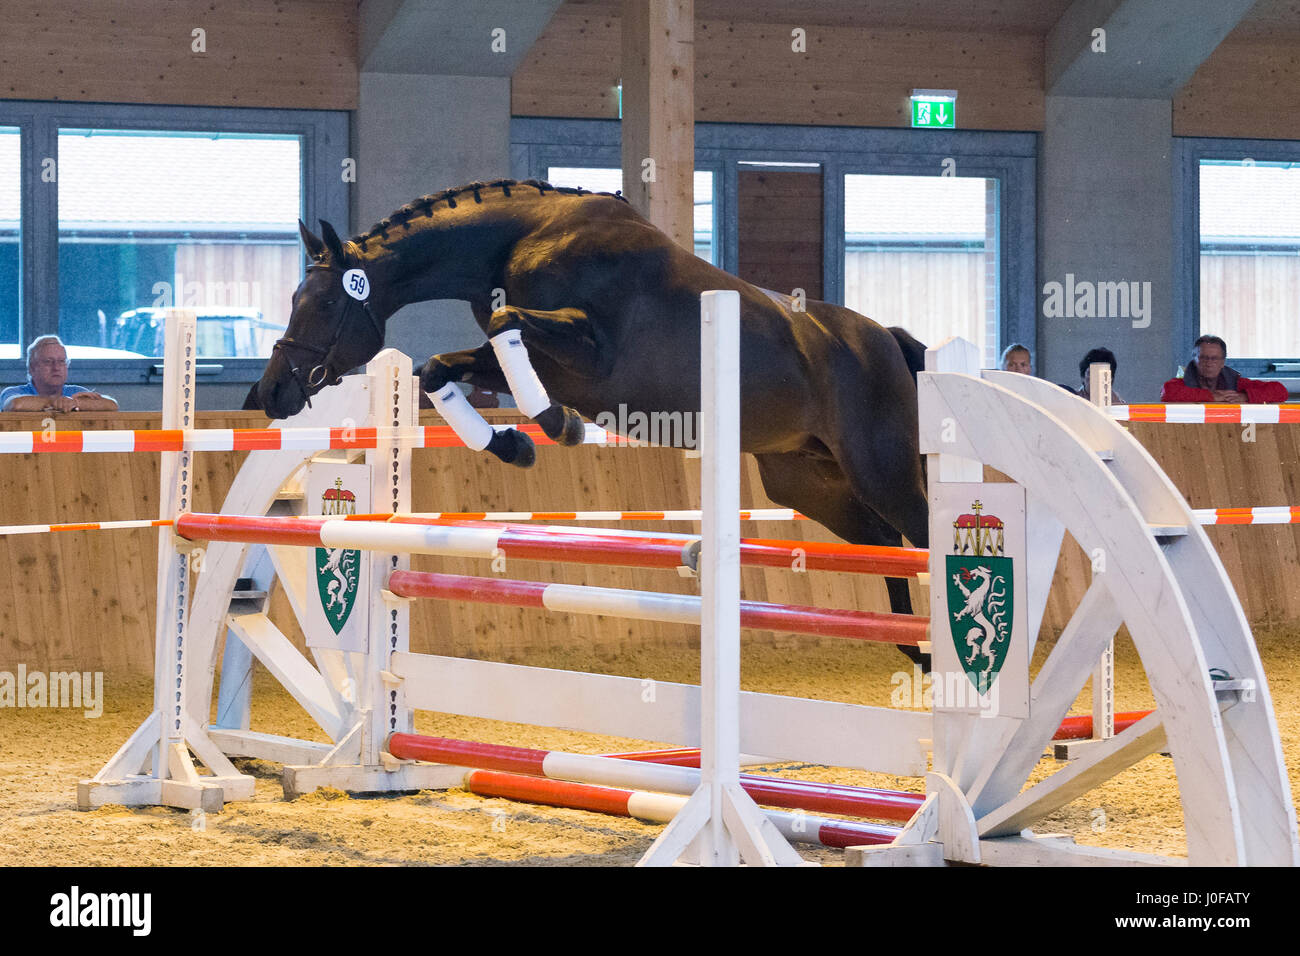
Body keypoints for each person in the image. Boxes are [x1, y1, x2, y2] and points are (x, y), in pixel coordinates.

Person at [1, 335, 119, 412]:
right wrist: (57, 402)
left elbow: (112, 405)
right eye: (48, 362)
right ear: (32, 368)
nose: (56, 367)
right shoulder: (15, 392)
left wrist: (75, 402)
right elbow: (16, 405)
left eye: (61, 361)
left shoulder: (74, 392)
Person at [1160, 335, 1288, 404]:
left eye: (1215, 358)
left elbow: (1280, 391)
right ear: (1194, 360)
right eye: (1203, 358)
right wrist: (1211, 396)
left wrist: (1245, 396)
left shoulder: (1235, 383)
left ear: (1223, 362)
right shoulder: (1182, 382)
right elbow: (1167, 392)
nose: (1209, 363)